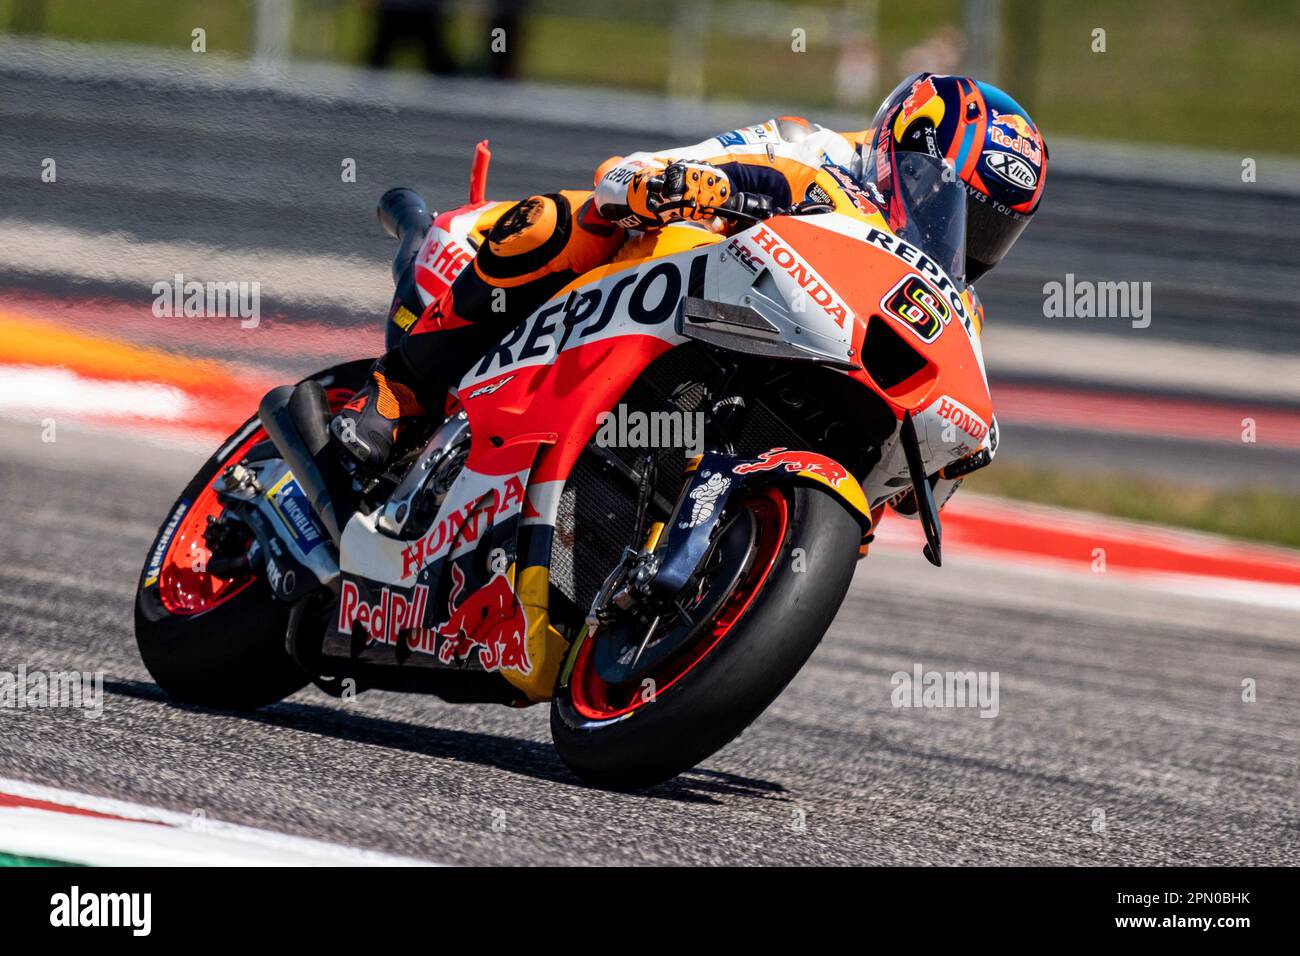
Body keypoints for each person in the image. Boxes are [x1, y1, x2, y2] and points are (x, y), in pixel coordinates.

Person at [330, 73, 1048, 470]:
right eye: (944, 199)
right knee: (562, 218)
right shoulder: (808, 150)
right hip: (657, 285)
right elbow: (638, 174)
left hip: (754, 368)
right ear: (897, 151)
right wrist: (678, 186)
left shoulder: (949, 303)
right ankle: (398, 393)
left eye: (990, 230)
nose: (962, 238)